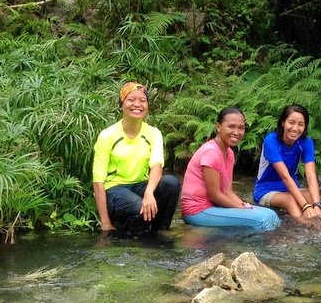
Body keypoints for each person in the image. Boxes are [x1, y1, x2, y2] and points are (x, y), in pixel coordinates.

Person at [92, 81, 180, 234]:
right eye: (131, 100)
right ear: (121, 104)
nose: (137, 104)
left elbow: (157, 166)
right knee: (140, 207)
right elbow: (98, 181)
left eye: (142, 100)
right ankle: (123, 237)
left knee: (171, 183)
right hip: (115, 190)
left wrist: (149, 192)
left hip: (141, 186)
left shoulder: (153, 133)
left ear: (147, 106)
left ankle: (159, 232)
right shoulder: (107, 135)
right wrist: (105, 224)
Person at [180, 107, 281, 232]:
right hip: (197, 210)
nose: (236, 132)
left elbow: (227, 191)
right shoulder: (211, 152)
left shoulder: (229, 153)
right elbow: (215, 195)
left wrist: (244, 205)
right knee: (262, 220)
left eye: (241, 128)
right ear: (218, 127)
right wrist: (242, 209)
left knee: (272, 215)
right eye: (231, 127)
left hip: (214, 207)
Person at [253, 104, 321, 221]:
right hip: (266, 190)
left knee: (312, 196)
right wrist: (305, 206)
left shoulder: (306, 142)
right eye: (291, 122)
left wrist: (317, 205)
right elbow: (285, 176)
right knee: (291, 201)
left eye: (300, 124)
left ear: (305, 126)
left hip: (291, 188)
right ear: (283, 122)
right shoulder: (271, 141)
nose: (295, 128)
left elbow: (311, 175)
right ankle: (306, 226)